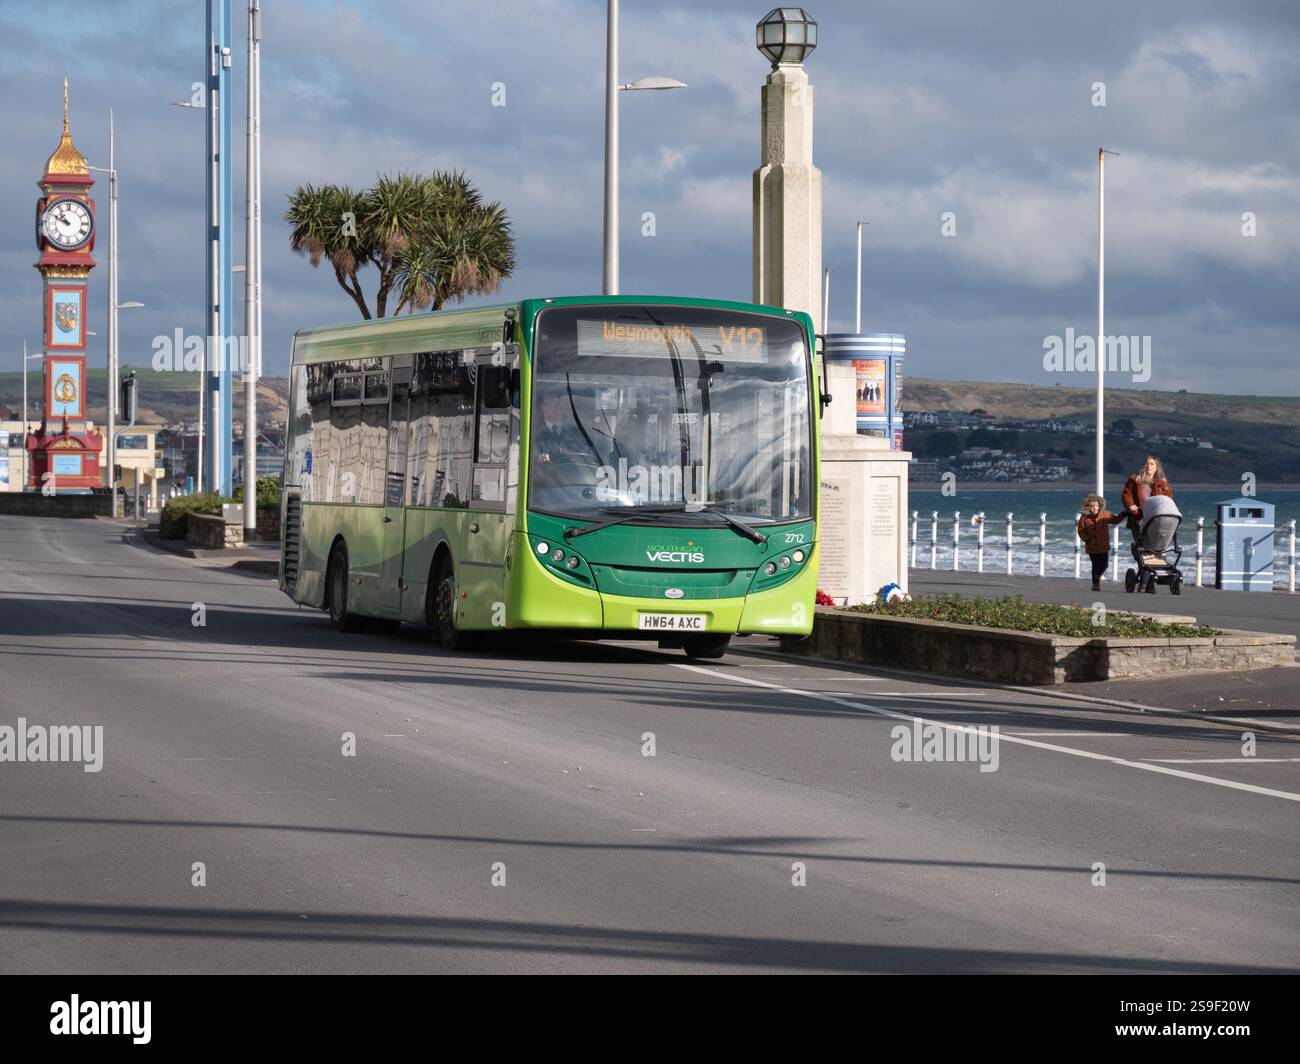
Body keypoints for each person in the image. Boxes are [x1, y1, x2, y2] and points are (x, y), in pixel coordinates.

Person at [1077, 493, 1126, 591]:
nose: (1095, 508)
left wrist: (1123, 514)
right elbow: (1081, 530)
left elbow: (1115, 520)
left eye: (1096, 505)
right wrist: (1087, 539)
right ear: (1087, 507)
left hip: (1103, 546)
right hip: (1092, 547)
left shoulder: (1105, 514)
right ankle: (1096, 585)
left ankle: (1097, 577)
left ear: (1099, 505)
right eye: (1092, 506)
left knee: (1105, 565)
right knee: (1095, 566)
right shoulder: (1084, 518)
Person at [1121, 455, 1173, 534]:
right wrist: (1130, 505)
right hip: (1138, 516)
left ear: (1156, 468)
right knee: (1141, 543)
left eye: (1152, 464)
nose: (1149, 466)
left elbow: (1168, 499)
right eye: (1147, 463)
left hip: (1156, 517)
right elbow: (1127, 494)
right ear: (1143, 466)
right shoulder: (1135, 480)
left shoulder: (1163, 483)